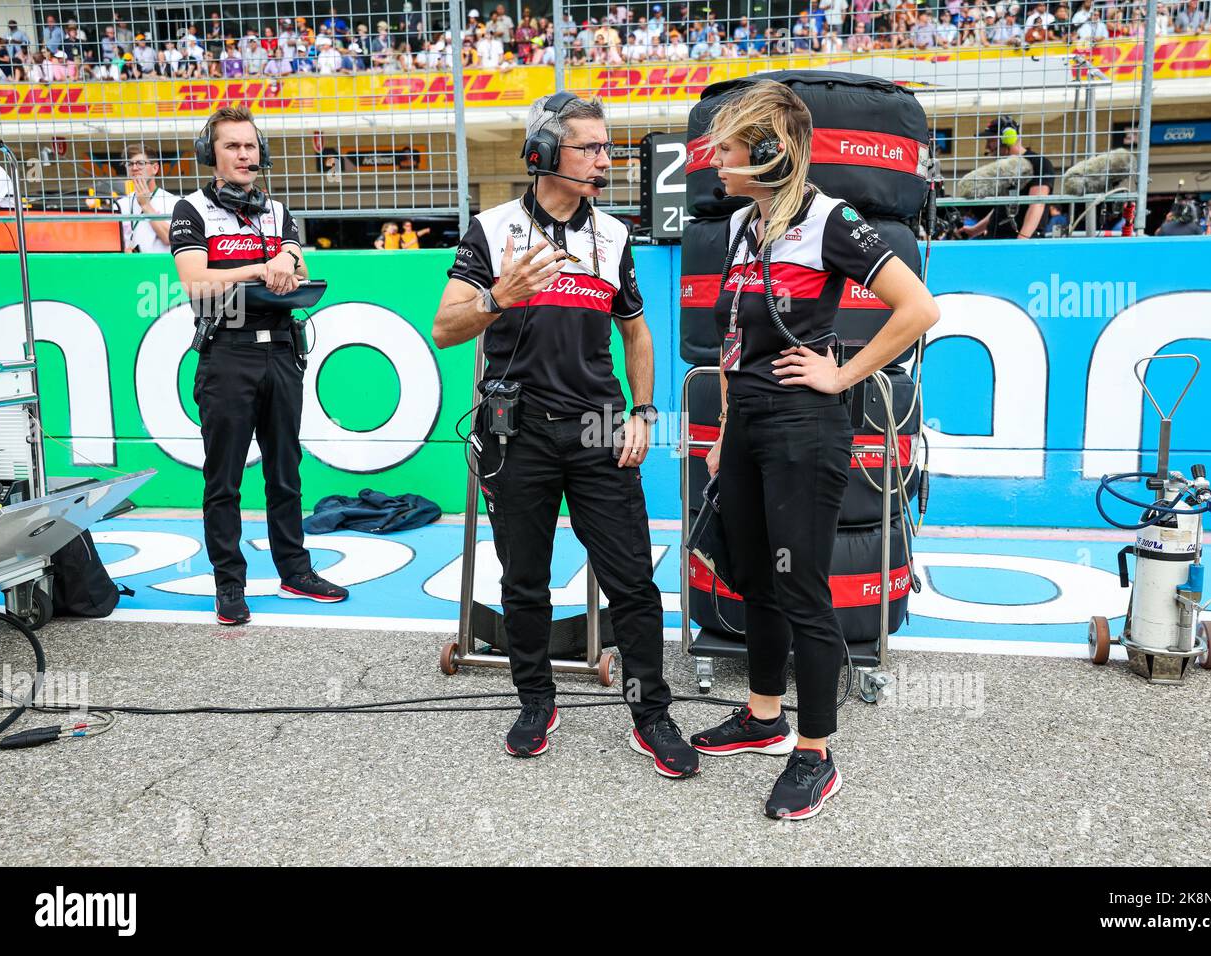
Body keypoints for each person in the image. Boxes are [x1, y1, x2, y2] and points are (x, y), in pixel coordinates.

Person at [691, 80, 939, 821]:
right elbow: (734, 338)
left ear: (770, 153)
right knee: (756, 580)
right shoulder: (742, 224)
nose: (714, 161)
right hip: (749, 426)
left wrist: (842, 373)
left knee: (800, 588)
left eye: (728, 150)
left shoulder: (832, 220)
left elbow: (919, 308)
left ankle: (815, 752)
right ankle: (764, 717)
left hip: (806, 425)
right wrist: (726, 432)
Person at [433, 93, 697, 777]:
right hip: (516, 433)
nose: (606, 160)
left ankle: (651, 715)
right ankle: (535, 701)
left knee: (632, 581)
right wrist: (500, 295)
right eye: (591, 147)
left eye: (607, 147)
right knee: (524, 580)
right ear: (545, 153)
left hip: (601, 428)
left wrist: (644, 412)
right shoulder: (490, 229)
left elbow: (635, 332)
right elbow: (445, 328)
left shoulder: (613, 234)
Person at [170, 106, 349, 626]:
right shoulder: (190, 209)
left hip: (282, 352)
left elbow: (300, 267)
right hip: (227, 352)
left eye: (250, 146)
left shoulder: (277, 210)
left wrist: (285, 263)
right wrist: (259, 268)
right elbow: (196, 283)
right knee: (223, 478)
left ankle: (296, 571)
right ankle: (229, 583)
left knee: (285, 471)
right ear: (211, 155)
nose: (244, 155)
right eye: (232, 146)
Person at [961, 116, 1056, 240]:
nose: (987, 147)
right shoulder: (1005, 167)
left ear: (1007, 138)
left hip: (1020, 242)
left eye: (990, 140)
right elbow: (1001, 207)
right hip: (996, 239)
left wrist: (1021, 240)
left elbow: (1037, 204)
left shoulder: (1039, 163)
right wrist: (975, 230)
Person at [115, 143, 178, 253]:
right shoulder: (119, 205)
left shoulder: (174, 202)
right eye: (130, 164)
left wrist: (146, 206)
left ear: (155, 168)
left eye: (141, 163)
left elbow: (171, 238)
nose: (134, 168)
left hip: (161, 263)